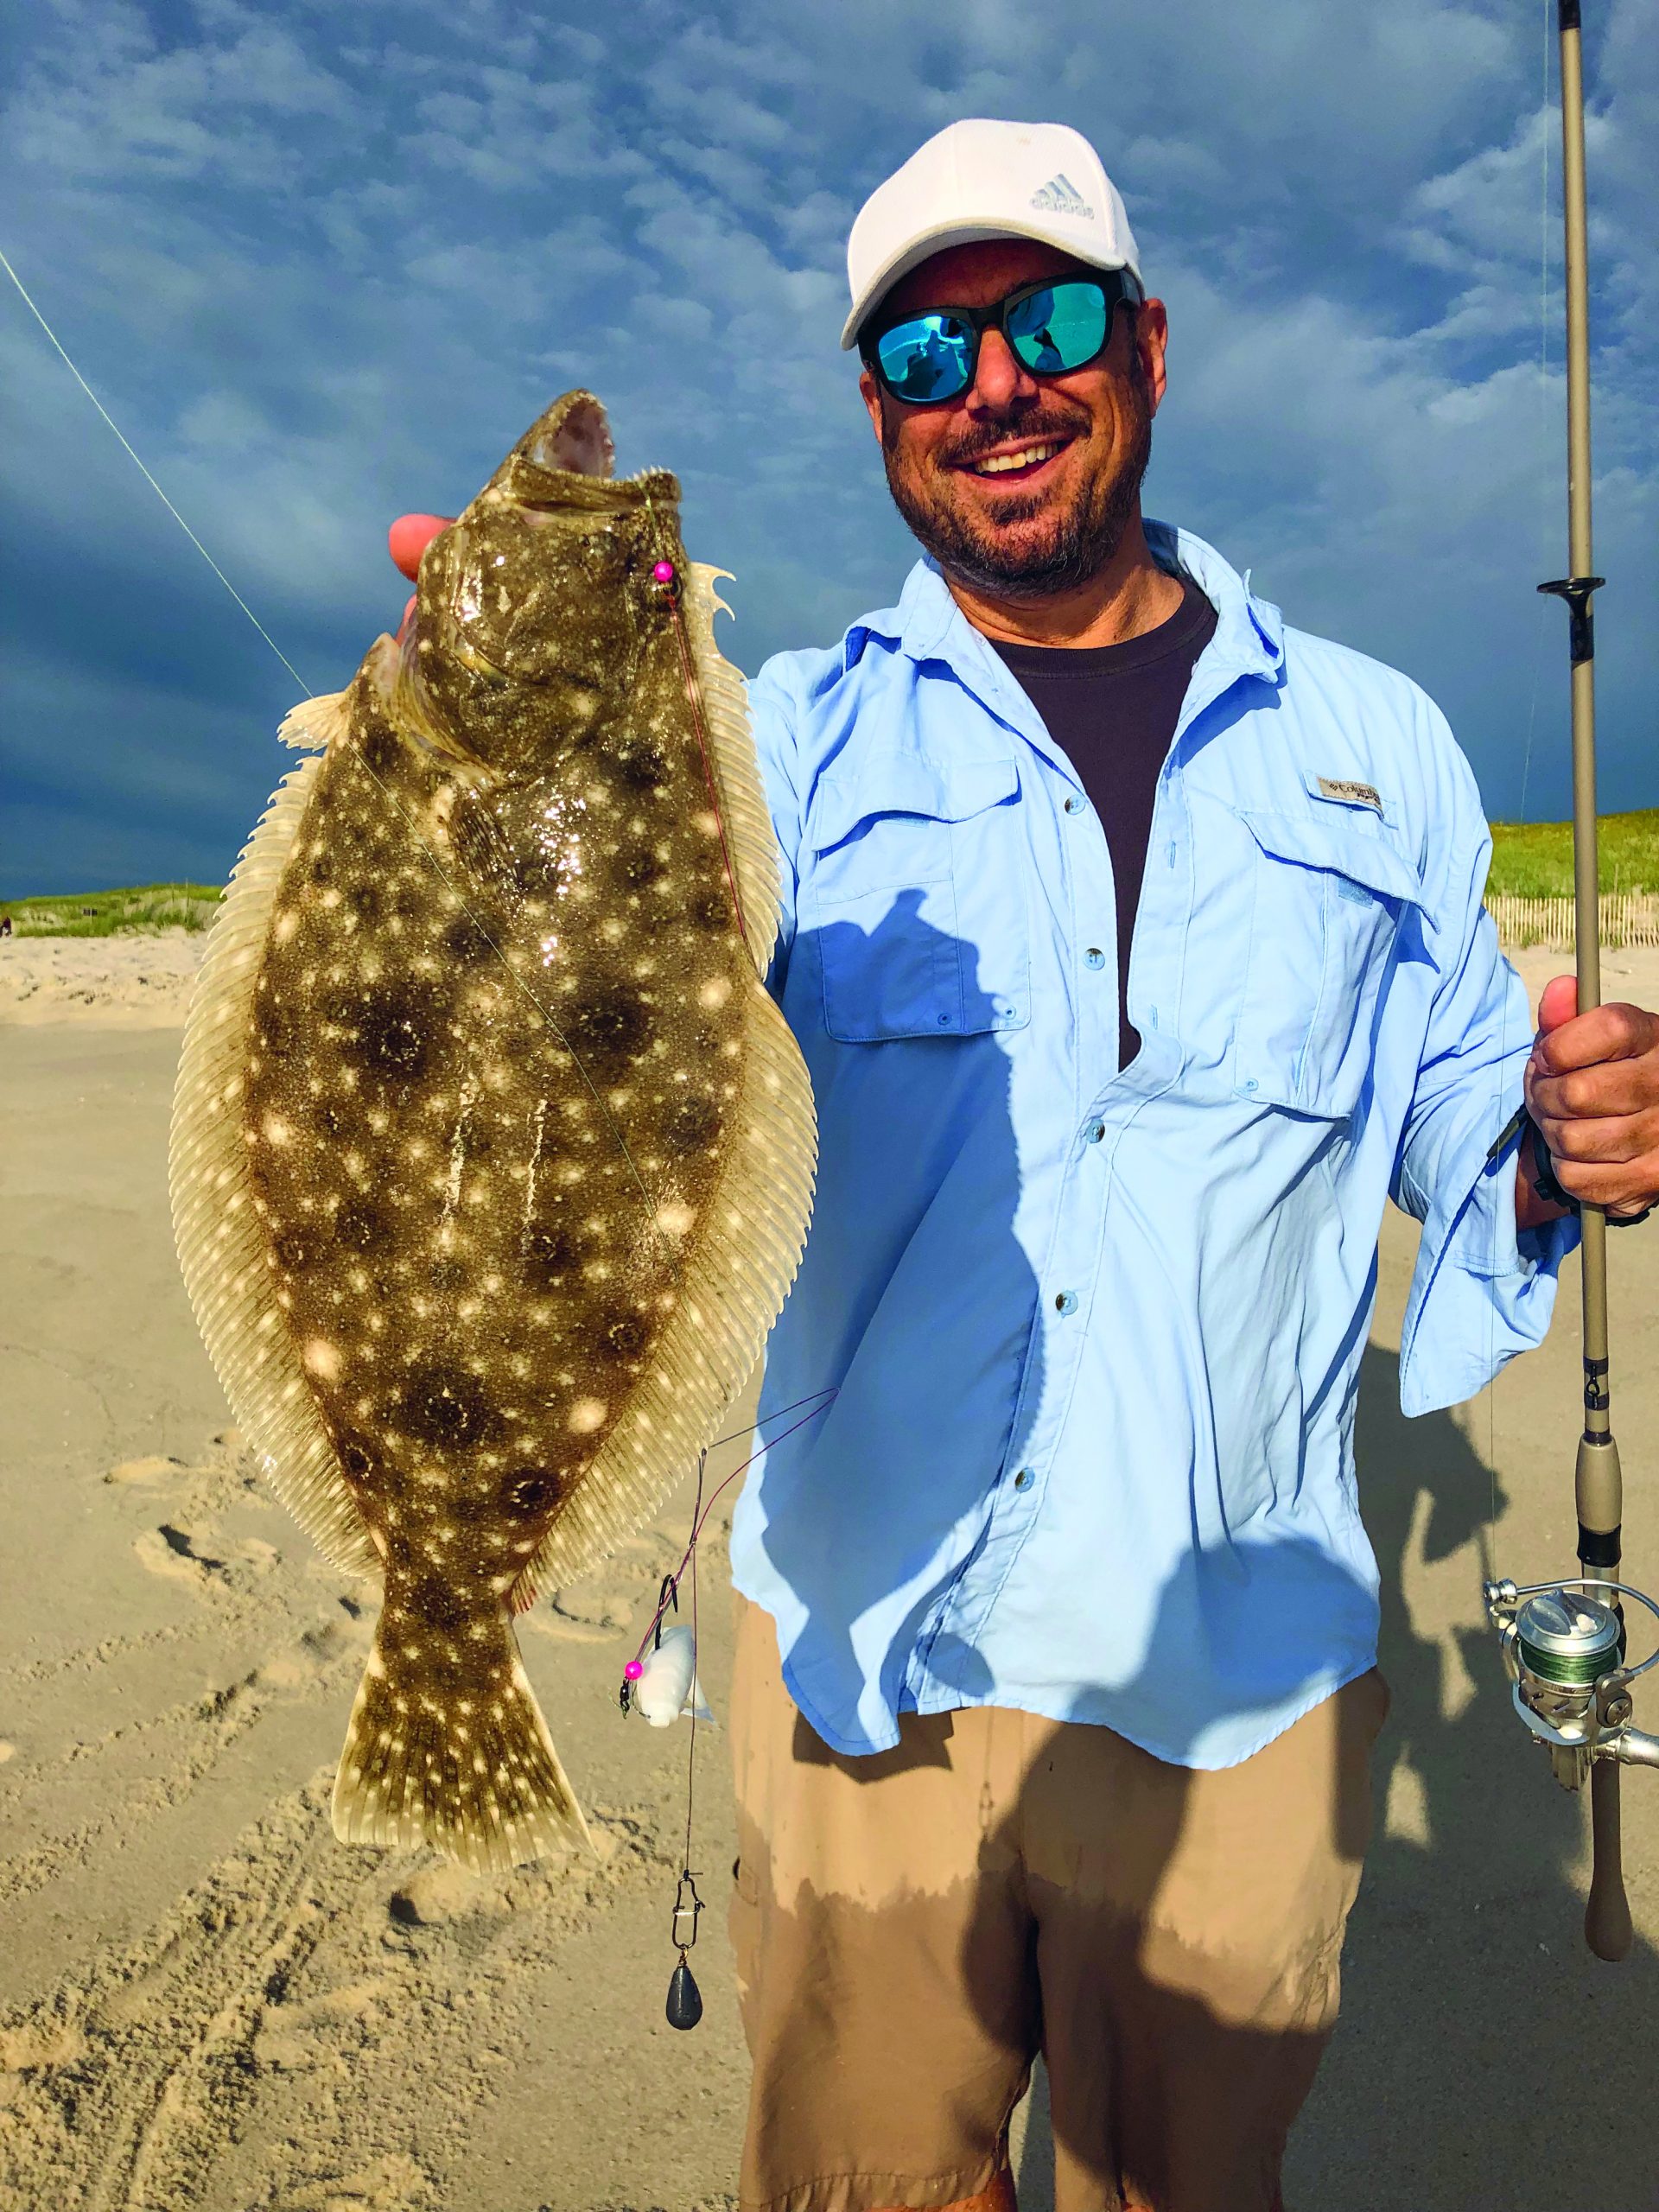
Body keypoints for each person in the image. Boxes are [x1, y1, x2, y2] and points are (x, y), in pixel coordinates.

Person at [389, 118, 1659, 2212]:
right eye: (924, 350)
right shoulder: (775, 745)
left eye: (1045, 321)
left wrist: (1549, 1147)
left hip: (1235, 1677)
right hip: (866, 1664)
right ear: (875, 411)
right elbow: (564, 1025)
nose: (992, 384)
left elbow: (1452, 1108)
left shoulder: (1376, 745)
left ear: (1144, 343)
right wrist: (491, 758)